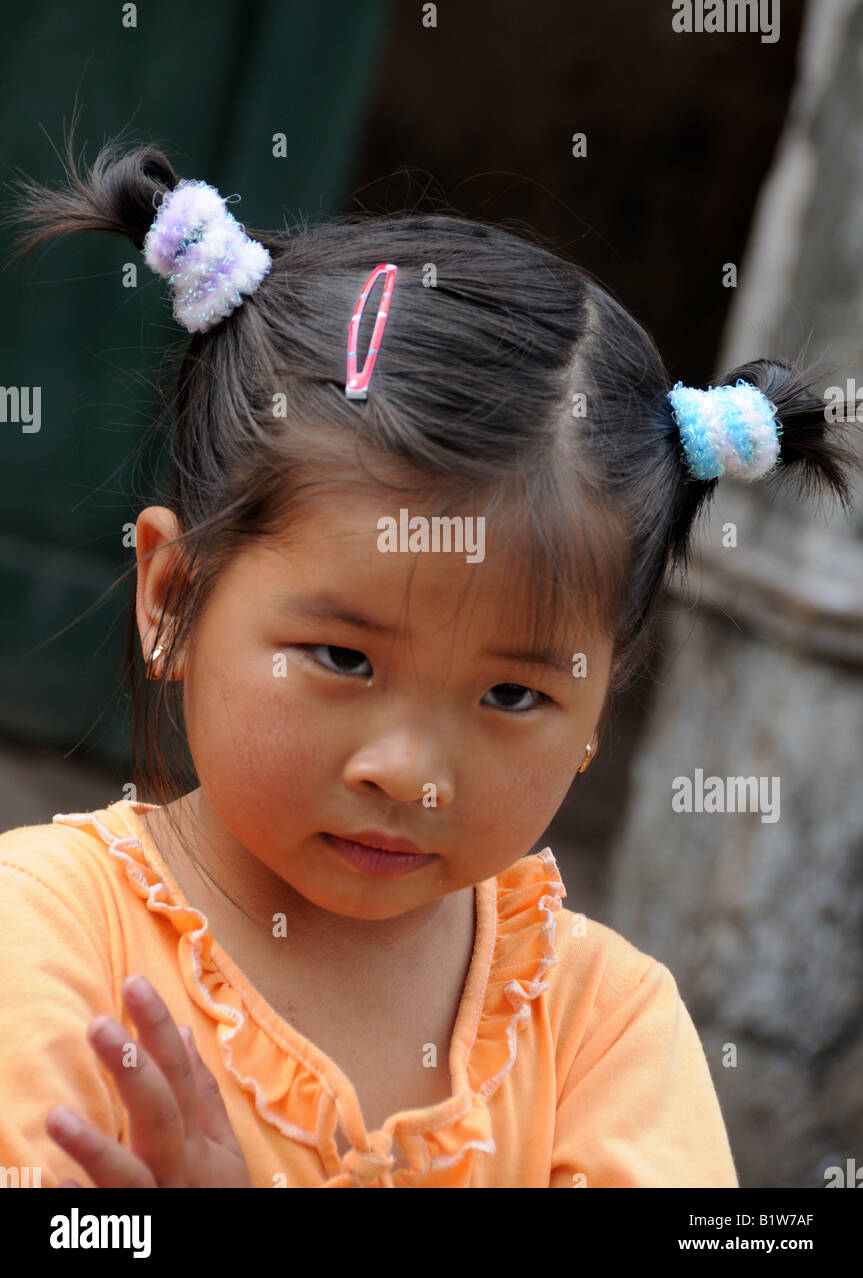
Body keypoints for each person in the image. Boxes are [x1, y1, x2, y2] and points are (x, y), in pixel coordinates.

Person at [0, 131, 859, 1190]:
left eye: (511, 692)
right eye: (341, 657)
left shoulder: (602, 1030)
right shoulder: (45, 938)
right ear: (172, 596)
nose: (409, 770)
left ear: (601, 697)